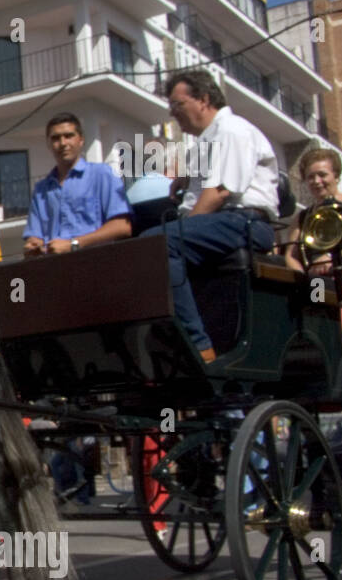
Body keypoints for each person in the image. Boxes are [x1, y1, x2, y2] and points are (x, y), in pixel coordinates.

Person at [141, 71, 279, 362]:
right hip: (220, 222)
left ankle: (199, 345)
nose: (173, 113)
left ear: (203, 100)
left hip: (243, 222)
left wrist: (180, 230)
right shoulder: (202, 145)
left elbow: (218, 192)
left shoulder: (232, 130)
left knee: (159, 246)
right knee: (141, 247)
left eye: (177, 105)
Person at [283, 146, 342, 340]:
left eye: (322, 175)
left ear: (336, 176)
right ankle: (323, 349)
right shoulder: (303, 217)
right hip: (319, 279)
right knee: (315, 302)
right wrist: (305, 276)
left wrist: (332, 257)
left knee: (341, 293)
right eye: (310, 177)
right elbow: (290, 255)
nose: (317, 181)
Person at [23, 112, 132, 256]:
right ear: (48, 144)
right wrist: (33, 245)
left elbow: (122, 226)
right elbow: (34, 235)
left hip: (98, 263)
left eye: (68, 136)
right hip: (55, 268)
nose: (63, 143)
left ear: (81, 140)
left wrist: (74, 244)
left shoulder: (102, 175)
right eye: (55, 138)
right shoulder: (41, 189)